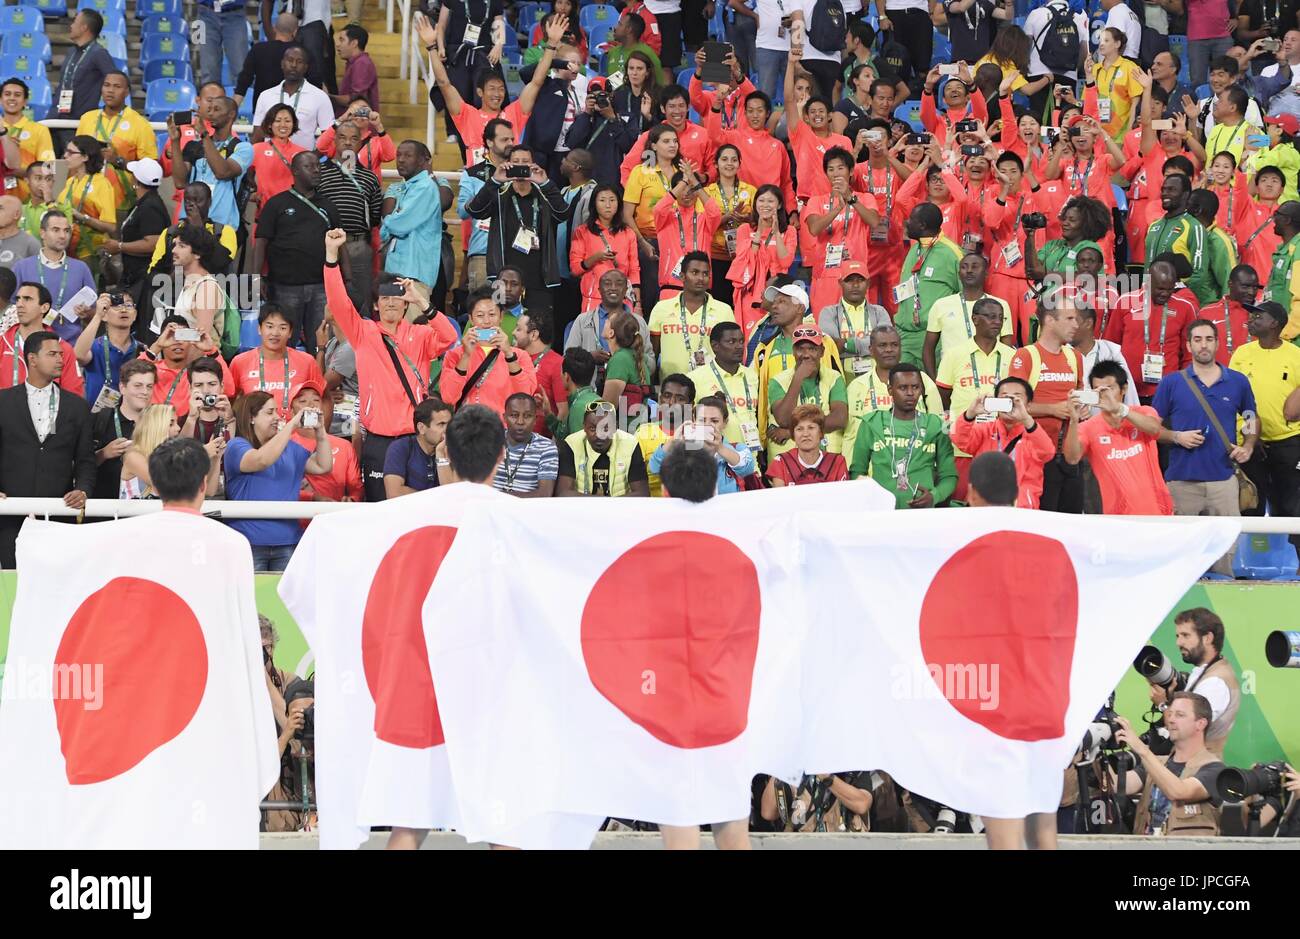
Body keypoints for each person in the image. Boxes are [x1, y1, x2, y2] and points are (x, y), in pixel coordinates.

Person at [323, 229, 458, 501]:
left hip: (415, 439)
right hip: (378, 439)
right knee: (377, 509)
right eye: (384, 298)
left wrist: (420, 299)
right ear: (376, 303)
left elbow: (449, 337)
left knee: (418, 507)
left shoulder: (419, 335)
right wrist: (331, 255)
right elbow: (338, 302)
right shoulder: (364, 332)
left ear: (406, 303)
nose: (391, 303)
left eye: (397, 297)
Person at [1152, 319, 1258, 573]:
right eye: (1197, 340)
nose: (1203, 345)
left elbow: (1251, 417)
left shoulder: (1238, 381)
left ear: (1217, 343)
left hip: (1223, 482)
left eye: (1209, 339)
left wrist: (1249, 445)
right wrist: (1177, 437)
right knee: (1178, 556)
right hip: (1181, 483)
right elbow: (1151, 427)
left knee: (1225, 554)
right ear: (1188, 345)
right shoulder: (1171, 383)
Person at [0, 330, 95, 567]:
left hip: (59, 515)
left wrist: (83, 489)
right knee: (12, 585)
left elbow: (85, 459)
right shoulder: (3, 402)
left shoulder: (77, 407)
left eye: (61, 354)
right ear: (32, 359)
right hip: (9, 516)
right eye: (52, 354)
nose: (61, 360)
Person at [224, 390, 334, 571]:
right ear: (251, 418)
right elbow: (261, 460)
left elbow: (323, 466)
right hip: (248, 543)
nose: (276, 417)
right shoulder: (237, 446)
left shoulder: (289, 447)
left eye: (276, 411)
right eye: (269, 412)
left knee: (284, 600)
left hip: (288, 541)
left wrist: (320, 432)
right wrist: (291, 426)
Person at [1230, 300, 1300, 557]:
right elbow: (1233, 397)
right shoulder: (1241, 353)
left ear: (1275, 323)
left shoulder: (1295, 356)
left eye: (1258, 315)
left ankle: (1296, 563)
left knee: (1291, 504)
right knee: (1250, 503)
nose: (1251, 319)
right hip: (1251, 443)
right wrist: (1246, 435)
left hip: (1290, 442)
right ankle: (1247, 562)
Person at [467, 143, 572, 312]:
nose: (521, 165)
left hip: (540, 277)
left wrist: (545, 183)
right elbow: (475, 210)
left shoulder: (544, 193)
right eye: (516, 161)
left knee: (538, 328)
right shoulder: (499, 193)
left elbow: (563, 214)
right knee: (501, 324)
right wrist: (494, 181)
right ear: (508, 163)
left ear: (533, 164)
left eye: (525, 161)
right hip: (502, 278)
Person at [1063, 360, 1174, 515]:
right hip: (1117, 521)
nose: (1104, 395)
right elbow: (1072, 458)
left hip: (1157, 513)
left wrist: (1119, 409)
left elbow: (1155, 429)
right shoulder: (1088, 428)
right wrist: (1073, 421)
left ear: (1124, 389)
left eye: (1109, 389)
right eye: (1098, 390)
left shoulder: (1143, 412)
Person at [1008, 300, 1086, 513]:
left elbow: (1079, 395)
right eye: (1069, 318)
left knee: (1072, 523)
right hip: (1036, 457)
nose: (1076, 324)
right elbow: (1012, 406)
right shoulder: (1025, 356)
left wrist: (1082, 409)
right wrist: (1052, 409)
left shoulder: (1075, 356)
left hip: (1070, 455)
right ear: (1050, 320)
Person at [848, 362, 957, 509]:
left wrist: (934, 496)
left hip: (922, 513)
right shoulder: (871, 423)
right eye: (903, 388)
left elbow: (949, 476)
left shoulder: (935, 425)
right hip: (882, 512)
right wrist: (872, 496)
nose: (910, 393)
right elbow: (856, 472)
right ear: (890, 390)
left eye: (915, 387)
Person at [1118, 693, 1224, 837]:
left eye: (1180, 715)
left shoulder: (1215, 769)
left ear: (1201, 723)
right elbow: (1117, 785)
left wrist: (1142, 749)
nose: (1171, 720)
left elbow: (1179, 792)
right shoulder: (1158, 763)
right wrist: (1092, 750)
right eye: (1170, 714)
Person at [951, 378, 1056, 509]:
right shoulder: (985, 429)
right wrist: (969, 414)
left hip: (1022, 509)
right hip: (984, 506)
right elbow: (960, 441)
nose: (1010, 403)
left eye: (1016, 398)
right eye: (1004, 398)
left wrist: (1027, 419)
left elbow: (1048, 453)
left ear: (1028, 405)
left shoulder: (1033, 433)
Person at [315, 120, 384, 318]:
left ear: (360, 144)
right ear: (334, 141)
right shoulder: (319, 173)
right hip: (326, 246)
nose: (347, 143)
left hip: (357, 245)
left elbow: (374, 216)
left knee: (360, 301)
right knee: (326, 301)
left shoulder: (370, 178)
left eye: (354, 139)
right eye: (342, 138)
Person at [1105, 259, 1196, 402]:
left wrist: (1184, 384)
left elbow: (1189, 354)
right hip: (1128, 389)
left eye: (1170, 289)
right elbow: (1110, 345)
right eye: (1160, 289)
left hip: (1168, 390)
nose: (1165, 294)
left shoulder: (1185, 308)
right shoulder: (1126, 302)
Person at [440, 287, 539, 415]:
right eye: (480, 315)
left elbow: (525, 396)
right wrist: (465, 356)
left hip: (502, 429)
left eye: (492, 314)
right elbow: (448, 398)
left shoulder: (520, 355)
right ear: (471, 319)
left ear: (501, 316)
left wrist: (508, 354)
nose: (486, 321)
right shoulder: (455, 355)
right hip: (465, 428)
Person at [382, 140, 452, 315]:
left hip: (414, 276)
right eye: (398, 155)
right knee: (395, 335)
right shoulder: (407, 187)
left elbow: (398, 224)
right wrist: (392, 221)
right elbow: (386, 231)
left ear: (423, 161)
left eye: (408, 155)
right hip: (398, 274)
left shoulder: (426, 187)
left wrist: (391, 220)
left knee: (411, 334)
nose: (401, 160)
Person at [171, 95, 254, 239]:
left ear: (231, 114)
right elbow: (180, 183)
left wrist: (204, 135)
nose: (210, 113)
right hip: (190, 222)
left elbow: (222, 172)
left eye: (216, 109)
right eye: (209, 109)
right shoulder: (194, 146)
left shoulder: (242, 148)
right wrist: (175, 141)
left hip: (222, 226)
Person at [923, 253, 1014, 380]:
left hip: (991, 376)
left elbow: (1006, 347)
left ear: (986, 272)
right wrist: (935, 382)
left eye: (975, 267)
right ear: (959, 273)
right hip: (952, 377)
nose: (969, 270)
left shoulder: (1000, 305)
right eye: (964, 267)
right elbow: (928, 349)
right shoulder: (941, 305)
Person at [648, 251, 736, 380]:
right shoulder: (662, 308)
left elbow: (730, 353)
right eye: (695, 272)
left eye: (705, 274)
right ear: (682, 276)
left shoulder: (724, 310)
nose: (701, 278)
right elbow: (653, 353)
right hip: (671, 389)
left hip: (710, 388)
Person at [75, 71, 156, 210]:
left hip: (121, 202)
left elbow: (150, 169)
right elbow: (74, 159)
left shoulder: (140, 124)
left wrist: (118, 160)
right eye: (106, 85)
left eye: (117, 86)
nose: (110, 91)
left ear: (127, 92)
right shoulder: (87, 119)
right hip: (85, 201)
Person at [767, 325, 849, 461]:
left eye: (812, 349)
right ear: (793, 351)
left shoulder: (834, 377)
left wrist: (790, 432)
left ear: (822, 351)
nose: (805, 355)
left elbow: (839, 419)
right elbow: (783, 419)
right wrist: (798, 378)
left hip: (828, 460)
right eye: (800, 349)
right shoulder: (777, 380)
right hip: (790, 463)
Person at [230, 305, 326, 419]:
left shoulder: (307, 361)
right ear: (259, 329)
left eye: (283, 328)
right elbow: (231, 399)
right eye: (269, 326)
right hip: (253, 434)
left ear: (290, 332)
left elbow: (324, 398)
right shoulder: (240, 362)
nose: (275, 333)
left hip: (295, 432)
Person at [727, 185, 798, 337]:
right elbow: (745, 262)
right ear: (755, 203)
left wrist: (777, 233)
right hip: (750, 294)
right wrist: (758, 233)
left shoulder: (789, 231)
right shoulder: (745, 229)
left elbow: (785, 262)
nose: (765, 205)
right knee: (749, 338)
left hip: (778, 294)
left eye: (770, 201)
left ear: (779, 205)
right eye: (761, 200)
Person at [647, 395, 756, 494]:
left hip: (726, 513)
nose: (707, 425)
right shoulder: (684, 449)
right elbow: (655, 467)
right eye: (702, 420)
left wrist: (720, 448)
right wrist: (673, 441)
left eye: (714, 421)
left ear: (725, 422)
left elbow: (748, 468)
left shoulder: (737, 448)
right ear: (694, 419)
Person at [897, 203, 962, 366]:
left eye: (911, 219)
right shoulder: (915, 249)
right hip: (905, 336)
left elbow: (967, 297)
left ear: (922, 225)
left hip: (934, 338)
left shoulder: (951, 253)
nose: (907, 222)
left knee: (933, 389)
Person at [565, 269, 655, 381]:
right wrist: (589, 358)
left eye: (619, 283)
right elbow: (567, 360)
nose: (613, 287)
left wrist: (630, 357)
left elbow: (651, 365)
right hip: (591, 390)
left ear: (626, 290)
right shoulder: (583, 320)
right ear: (599, 290)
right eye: (607, 284)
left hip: (629, 391)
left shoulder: (639, 322)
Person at [103, 159, 171, 306]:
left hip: (143, 281)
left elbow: (153, 243)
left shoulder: (150, 207)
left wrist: (120, 246)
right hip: (134, 277)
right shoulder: (144, 203)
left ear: (136, 179)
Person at [687, 321, 762, 454]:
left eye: (741, 341)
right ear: (715, 346)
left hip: (750, 459)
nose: (739, 347)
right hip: (713, 459)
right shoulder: (695, 378)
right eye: (731, 342)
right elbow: (687, 422)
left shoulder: (753, 375)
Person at [0, 283, 85, 396]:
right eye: (18, 299)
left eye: (27, 299)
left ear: (44, 307)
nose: (20, 304)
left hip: (50, 412)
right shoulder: (2, 344)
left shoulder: (63, 349)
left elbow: (74, 395)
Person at [143, 318, 235, 422]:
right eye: (171, 336)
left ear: (191, 341)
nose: (178, 342)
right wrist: (157, 346)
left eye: (183, 336)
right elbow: (130, 378)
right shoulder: (150, 370)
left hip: (190, 431)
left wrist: (211, 350)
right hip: (154, 431)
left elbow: (229, 389)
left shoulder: (198, 373)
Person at [90, 357, 156, 501]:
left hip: (147, 510)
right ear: (122, 388)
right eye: (138, 385)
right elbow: (79, 466)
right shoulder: (99, 420)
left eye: (149, 386)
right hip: (104, 509)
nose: (145, 392)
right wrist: (104, 454)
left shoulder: (158, 423)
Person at [569, 184, 640, 313]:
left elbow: (634, 270)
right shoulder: (582, 232)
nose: (608, 205)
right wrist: (596, 257)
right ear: (594, 204)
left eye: (612, 200)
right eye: (602, 200)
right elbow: (575, 269)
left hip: (623, 298)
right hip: (593, 297)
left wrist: (638, 304)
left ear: (619, 203)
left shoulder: (628, 233)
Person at [555, 400, 650, 496]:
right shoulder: (572, 444)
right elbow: (562, 493)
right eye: (592, 429)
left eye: (605, 428)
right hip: (583, 510)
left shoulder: (630, 444)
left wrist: (607, 506)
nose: (599, 435)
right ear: (584, 427)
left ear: (615, 427)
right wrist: (599, 503)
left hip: (619, 510)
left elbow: (642, 493)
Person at [10, 212, 95, 315]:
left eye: (67, 231)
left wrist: (86, 314)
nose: (63, 236)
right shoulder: (21, 267)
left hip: (72, 331)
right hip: (32, 331)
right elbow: (10, 308)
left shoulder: (81, 268)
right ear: (42, 233)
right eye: (56, 230)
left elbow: (94, 312)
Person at [53, 10, 116, 149]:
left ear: (84, 27)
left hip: (78, 122)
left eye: (74, 21)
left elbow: (117, 81)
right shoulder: (71, 51)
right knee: (52, 165)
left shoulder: (99, 53)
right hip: (56, 116)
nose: (71, 25)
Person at [252, 46, 335, 152]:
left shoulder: (320, 97)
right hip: (270, 161)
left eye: (299, 61)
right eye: (290, 60)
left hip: (303, 164)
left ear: (306, 67)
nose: (294, 65)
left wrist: (310, 159)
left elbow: (328, 137)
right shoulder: (266, 96)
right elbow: (257, 136)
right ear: (282, 64)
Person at [57, 136, 115, 278]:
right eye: (66, 151)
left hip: (89, 253)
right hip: (67, 249)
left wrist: (83, 218)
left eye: (71, 152)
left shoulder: (101, 184)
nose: (65, 156)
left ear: (85, 157)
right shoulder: (70, 181)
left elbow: (111, 227)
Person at [73, 291, 140, 411]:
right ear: (105, 314)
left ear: (135, 315)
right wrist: (97, 315)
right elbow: (78, 355)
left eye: (128, 305)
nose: (123, 309)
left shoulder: (141, 349)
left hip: (133, 419)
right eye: (116, 305)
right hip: (97, 421)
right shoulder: (94, 346)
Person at [382, 396, 453, 498]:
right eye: (441, 424)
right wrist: (435, 498)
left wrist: (441, 454)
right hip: (408, 512)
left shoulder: (450, 449)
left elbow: (452, 495)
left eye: (449, 424)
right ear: (421, 428)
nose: (447, 430)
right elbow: (394, 493)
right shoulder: (400, 448)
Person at [250, 105, 308, 229]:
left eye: (287, 121)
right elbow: (241, 176)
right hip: (264, 215)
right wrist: (251, 194)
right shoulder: (257, 149)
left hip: (294, 217)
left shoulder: (302, 153)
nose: (283, 125)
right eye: (278, 120)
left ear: (293, 124)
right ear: (270, 124)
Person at [235, 13, 309, 111]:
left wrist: (233, 109)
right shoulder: (303, 53)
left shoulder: (258, 49)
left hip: (263, 111)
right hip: (294, 111)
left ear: (275, 28)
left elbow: (244, 80)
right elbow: (315, 80)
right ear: (295, 31)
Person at [766, 403, 849, 486]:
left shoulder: (837, 462)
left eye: (811, 428)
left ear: (821, 432)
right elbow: (781, 498)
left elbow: (842, 497)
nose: (805, 434)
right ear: (793, 434)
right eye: (799, 429)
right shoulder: (781, 462)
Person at [494, 393, 559, 497]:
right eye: (514, 415)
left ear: (535, 420)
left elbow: (545, 494)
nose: (520, 422)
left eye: (527, 416)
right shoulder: (491, 441)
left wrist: (501, 497)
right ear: (504, 418)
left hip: (527, 511)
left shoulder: (546, 447)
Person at [600, 310, 653, 425]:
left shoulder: (620, 360)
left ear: (611, 333)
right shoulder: (631, 355)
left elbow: (607, 408)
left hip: (626, 433)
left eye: (608, 320)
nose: (605, 321)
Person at [119, 404, 183, 499]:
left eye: (177, 423)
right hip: (134, 513)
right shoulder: (133, 456)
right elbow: (166, 486)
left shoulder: (170, 456)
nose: (178, 428)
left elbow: (208, 491)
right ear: (156, 428)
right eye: (171, 424)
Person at [1263, 198, 1300, 341]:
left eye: (1276, 214)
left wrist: (1284, 335)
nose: (1273, 218)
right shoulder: (1284, 250)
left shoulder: (1298, 250)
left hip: (1292, 340)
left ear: (1287, 220)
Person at [178, 355, 235, 448]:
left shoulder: (236, 419)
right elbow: (179, 457)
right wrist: (191, 418)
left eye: (212, 384)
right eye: (199, 385)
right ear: (190, 389)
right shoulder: (180, 422)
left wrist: (229, 421)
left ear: (222, 387)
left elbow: (236, 455)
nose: (206, 390)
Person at [544, 347, 600, 440]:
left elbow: (578, 449)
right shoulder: (598, 400)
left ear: (566, 377)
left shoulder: (578, 407)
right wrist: (548, 413)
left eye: (561, 372)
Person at [332, 24, 379, 113]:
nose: (338, 45)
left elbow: (356, 98)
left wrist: (328, 98)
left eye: (342, 40)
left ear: (354, 43)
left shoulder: (362, 63)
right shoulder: (354, 63)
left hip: (358, 123)